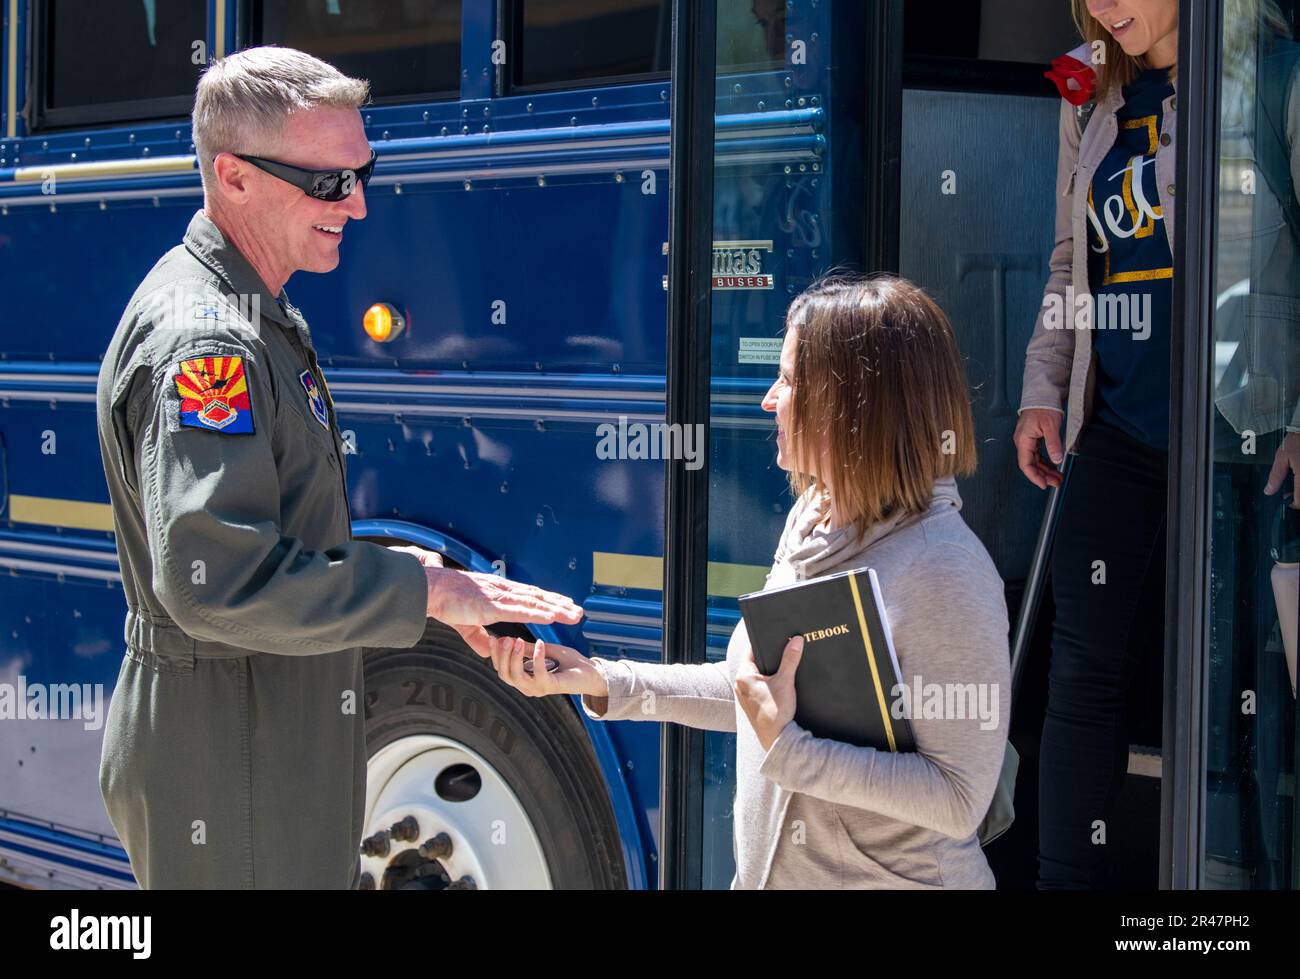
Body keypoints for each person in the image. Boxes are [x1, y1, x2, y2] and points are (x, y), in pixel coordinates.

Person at [94, 47, 582, 889]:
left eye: (363, 173)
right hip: (231, 758)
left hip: (254, 738)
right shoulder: (211, 342)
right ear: (234, 177)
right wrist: (419, 594)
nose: (356, 205)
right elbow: (218, 578)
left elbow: (281, 532)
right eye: (328, 182)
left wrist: (410, 575)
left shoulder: (251, 308)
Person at [488, 275, 1011, 889]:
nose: (769, 399)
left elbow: (957, 800)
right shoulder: (813, 519)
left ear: (857, 402)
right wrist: (602, 679)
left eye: (789, 380)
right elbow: (754, 693)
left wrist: (792, 753)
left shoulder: (946, 571)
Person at [1017, 0, 1180, 889]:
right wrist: (1043, 390)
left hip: (1233, 434)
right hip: (1111, 420)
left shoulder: (1262, 81)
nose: (1108, 8)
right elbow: (1067, 260)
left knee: (1231, 670)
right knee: (1080, 668)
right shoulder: (1086, 88)